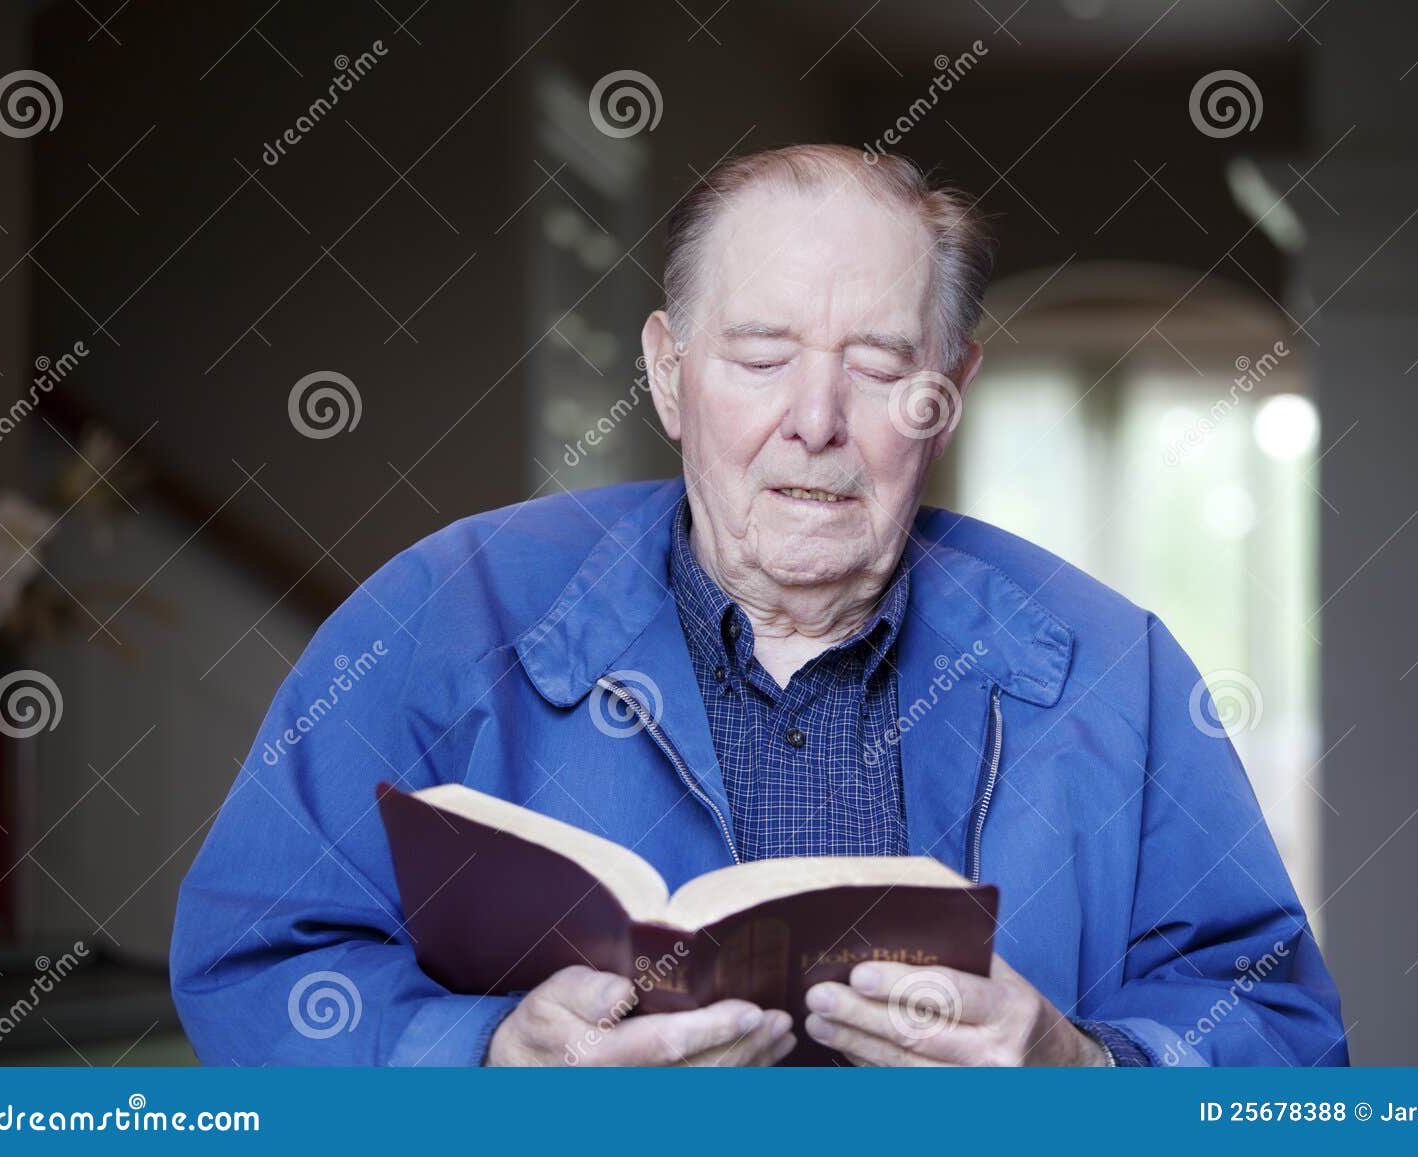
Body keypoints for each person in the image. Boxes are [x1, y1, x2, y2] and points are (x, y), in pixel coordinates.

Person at [170, 144, 1347, 1067]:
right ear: (667, 372)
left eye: (879, 365)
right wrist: (482, 1057)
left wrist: (1085, 1070)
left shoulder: (1115, 668)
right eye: (760, 354)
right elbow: (255, 962)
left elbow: (1284, 1038)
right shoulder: (442, 613)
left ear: (950, 391)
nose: (816, 421)